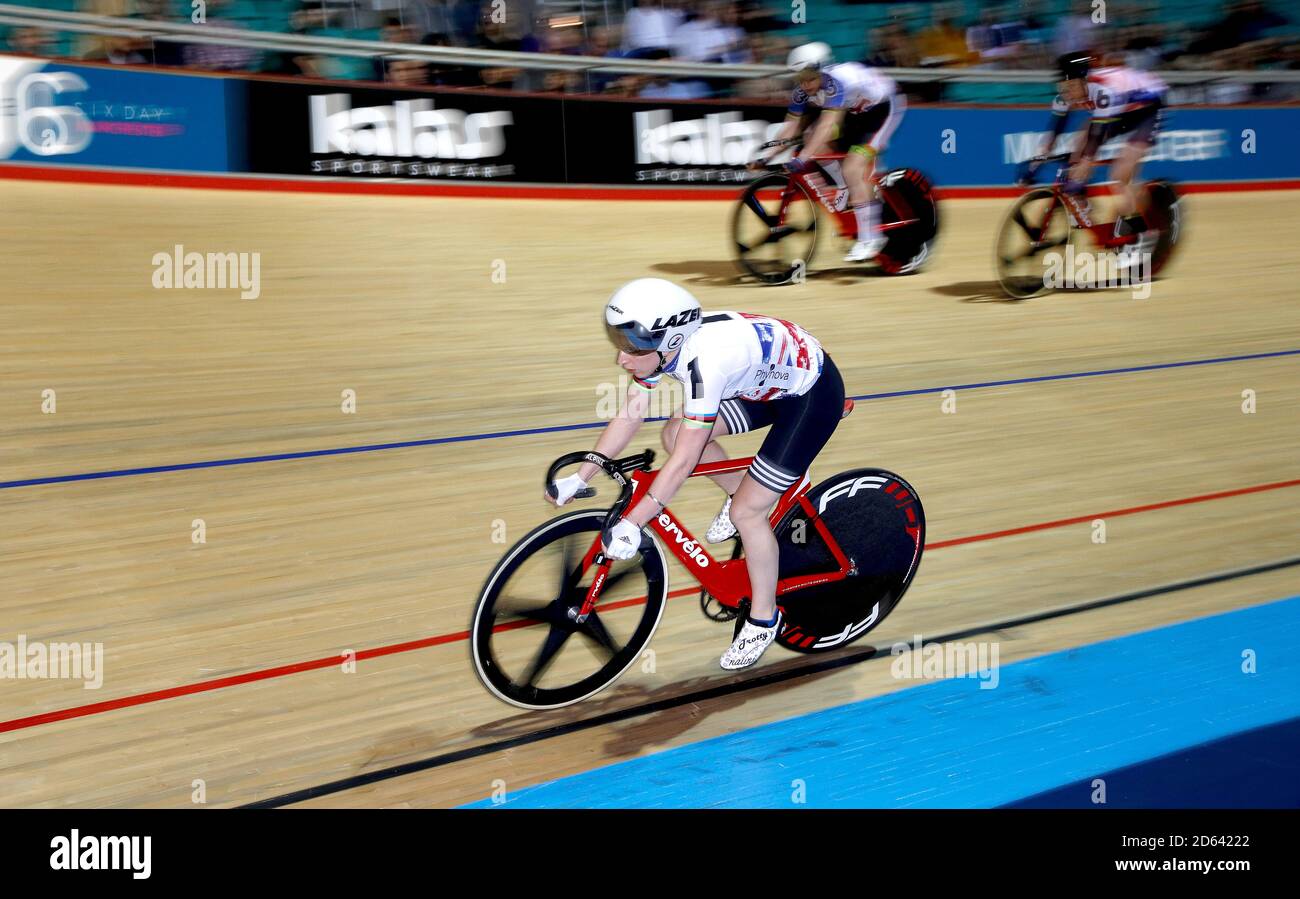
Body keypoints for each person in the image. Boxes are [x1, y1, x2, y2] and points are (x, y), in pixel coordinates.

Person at [546, 279, 846, 671]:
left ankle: (764, 618)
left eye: (633, 349)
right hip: (763, 385)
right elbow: (630, 414)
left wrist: (634, 522)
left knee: (746, 514)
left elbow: (685, 462)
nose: (623, 359)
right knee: (673, 431)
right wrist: (583, 475)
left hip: (811, 396)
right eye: (620, 344)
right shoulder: (665, 348)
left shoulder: (705, 365)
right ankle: (746, 493)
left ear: (669, 343)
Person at [755, 42, 906, 263]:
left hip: (883, 109)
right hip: (855, 113)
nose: (805, 85)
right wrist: (767, 156)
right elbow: (790, 128)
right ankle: (845, 186)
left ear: (824, 70)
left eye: (810, 77)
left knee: (852, 167)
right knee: (810, 137)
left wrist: (803, 158)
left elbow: (828, 126)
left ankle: (870, 238)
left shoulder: (837, 83)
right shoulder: (803, 91)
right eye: (800, 79)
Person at [1024, 52, 1168, 273]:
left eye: (1071, 87)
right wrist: (1038, 158)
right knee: (1078, 141)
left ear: (1085, 81)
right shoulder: (1066, 93)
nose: (1067, 93)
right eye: (1063, 87)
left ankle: (1139, 239)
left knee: (1120, 175)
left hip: (1148, 108)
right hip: (1120, 111)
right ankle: (1081, 198)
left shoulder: (1104, 91)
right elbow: (1057, 127)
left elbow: (1097, 133)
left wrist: (1086, 162)